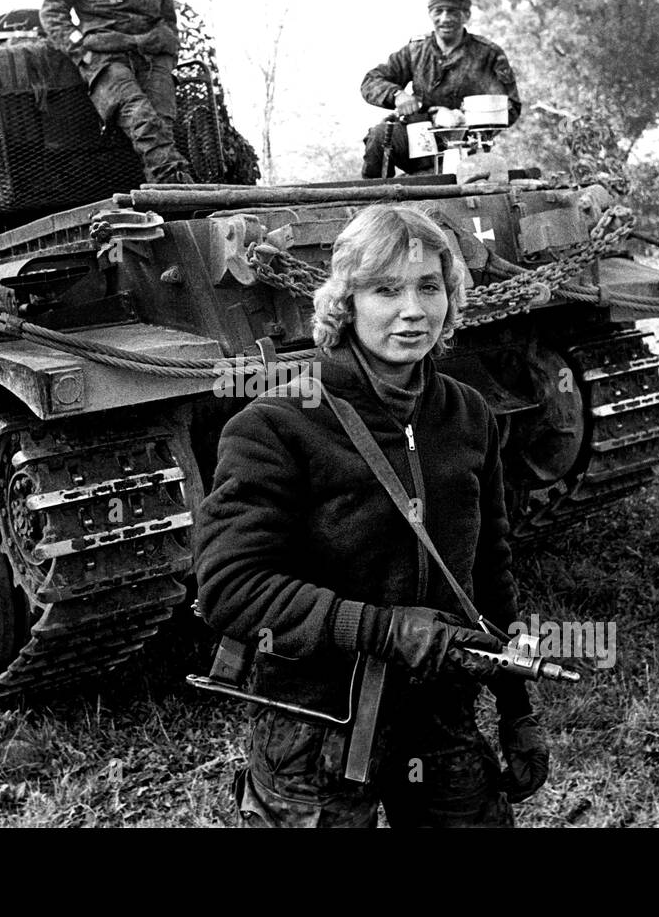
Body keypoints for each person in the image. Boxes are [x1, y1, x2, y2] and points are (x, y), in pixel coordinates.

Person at [195, 204, 549, 827]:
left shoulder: (467, 415)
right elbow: (232, 588)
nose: (412, 310)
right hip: (315, 720)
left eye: (429, 287)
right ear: (345, 301)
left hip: (439, 710)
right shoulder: (276, 423)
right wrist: (389, 631)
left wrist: (517, 708)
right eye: (385, 289)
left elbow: (488, 570)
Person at [39, 0, 194, 184]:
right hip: (104, 55)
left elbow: (168, 19)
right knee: (141, 116)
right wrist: (82, 52)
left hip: (151, 54)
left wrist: (166, 57)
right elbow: (52, 10)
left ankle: (168, 201)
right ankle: (178, 184)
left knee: (162, 126)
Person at [360, 0, 522, 178]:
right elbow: (371, 81)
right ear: (431, 15)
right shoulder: (415, 51)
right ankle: (373, 199)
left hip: (466, 144)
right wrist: (397, 95)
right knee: (379, 135)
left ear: (466, 16)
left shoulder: (487, 54)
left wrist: (463, 118)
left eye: (453, 12)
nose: (445, 18)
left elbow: (510, 106)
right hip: (418, 140)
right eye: (439, 11)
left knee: (456, 176)